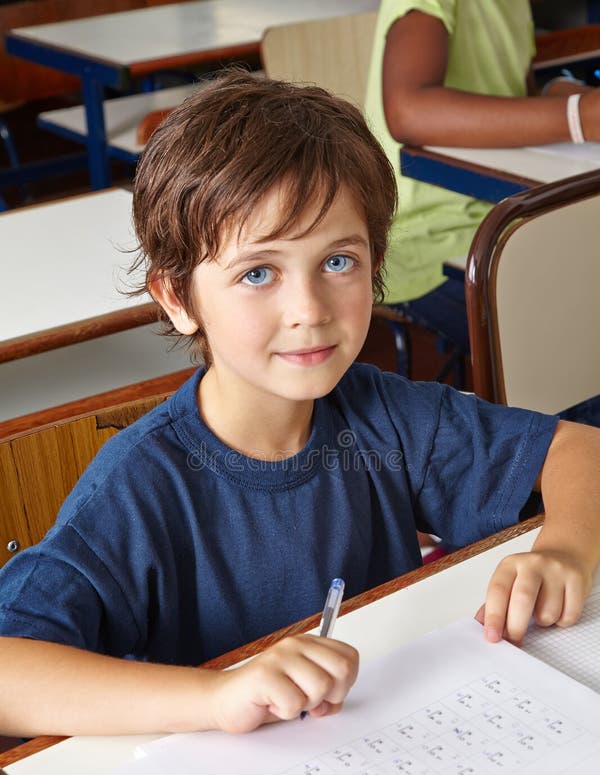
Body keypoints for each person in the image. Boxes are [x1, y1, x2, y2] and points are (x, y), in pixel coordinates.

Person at [0, 72, 599, 740]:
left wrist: (566, 548)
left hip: (388, 740)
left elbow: (580, 449)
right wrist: (216, 696)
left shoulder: (382, 415)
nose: (309, 311)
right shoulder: (141, 487)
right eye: (258, 273)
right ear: (176, 298)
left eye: (338, 262)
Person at [364, 0, 600, 405]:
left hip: (501, 213)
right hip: (425, 235)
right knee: (574, 345)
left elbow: (504, 92)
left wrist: (555, 90)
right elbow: (407, 110)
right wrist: (577, 116)